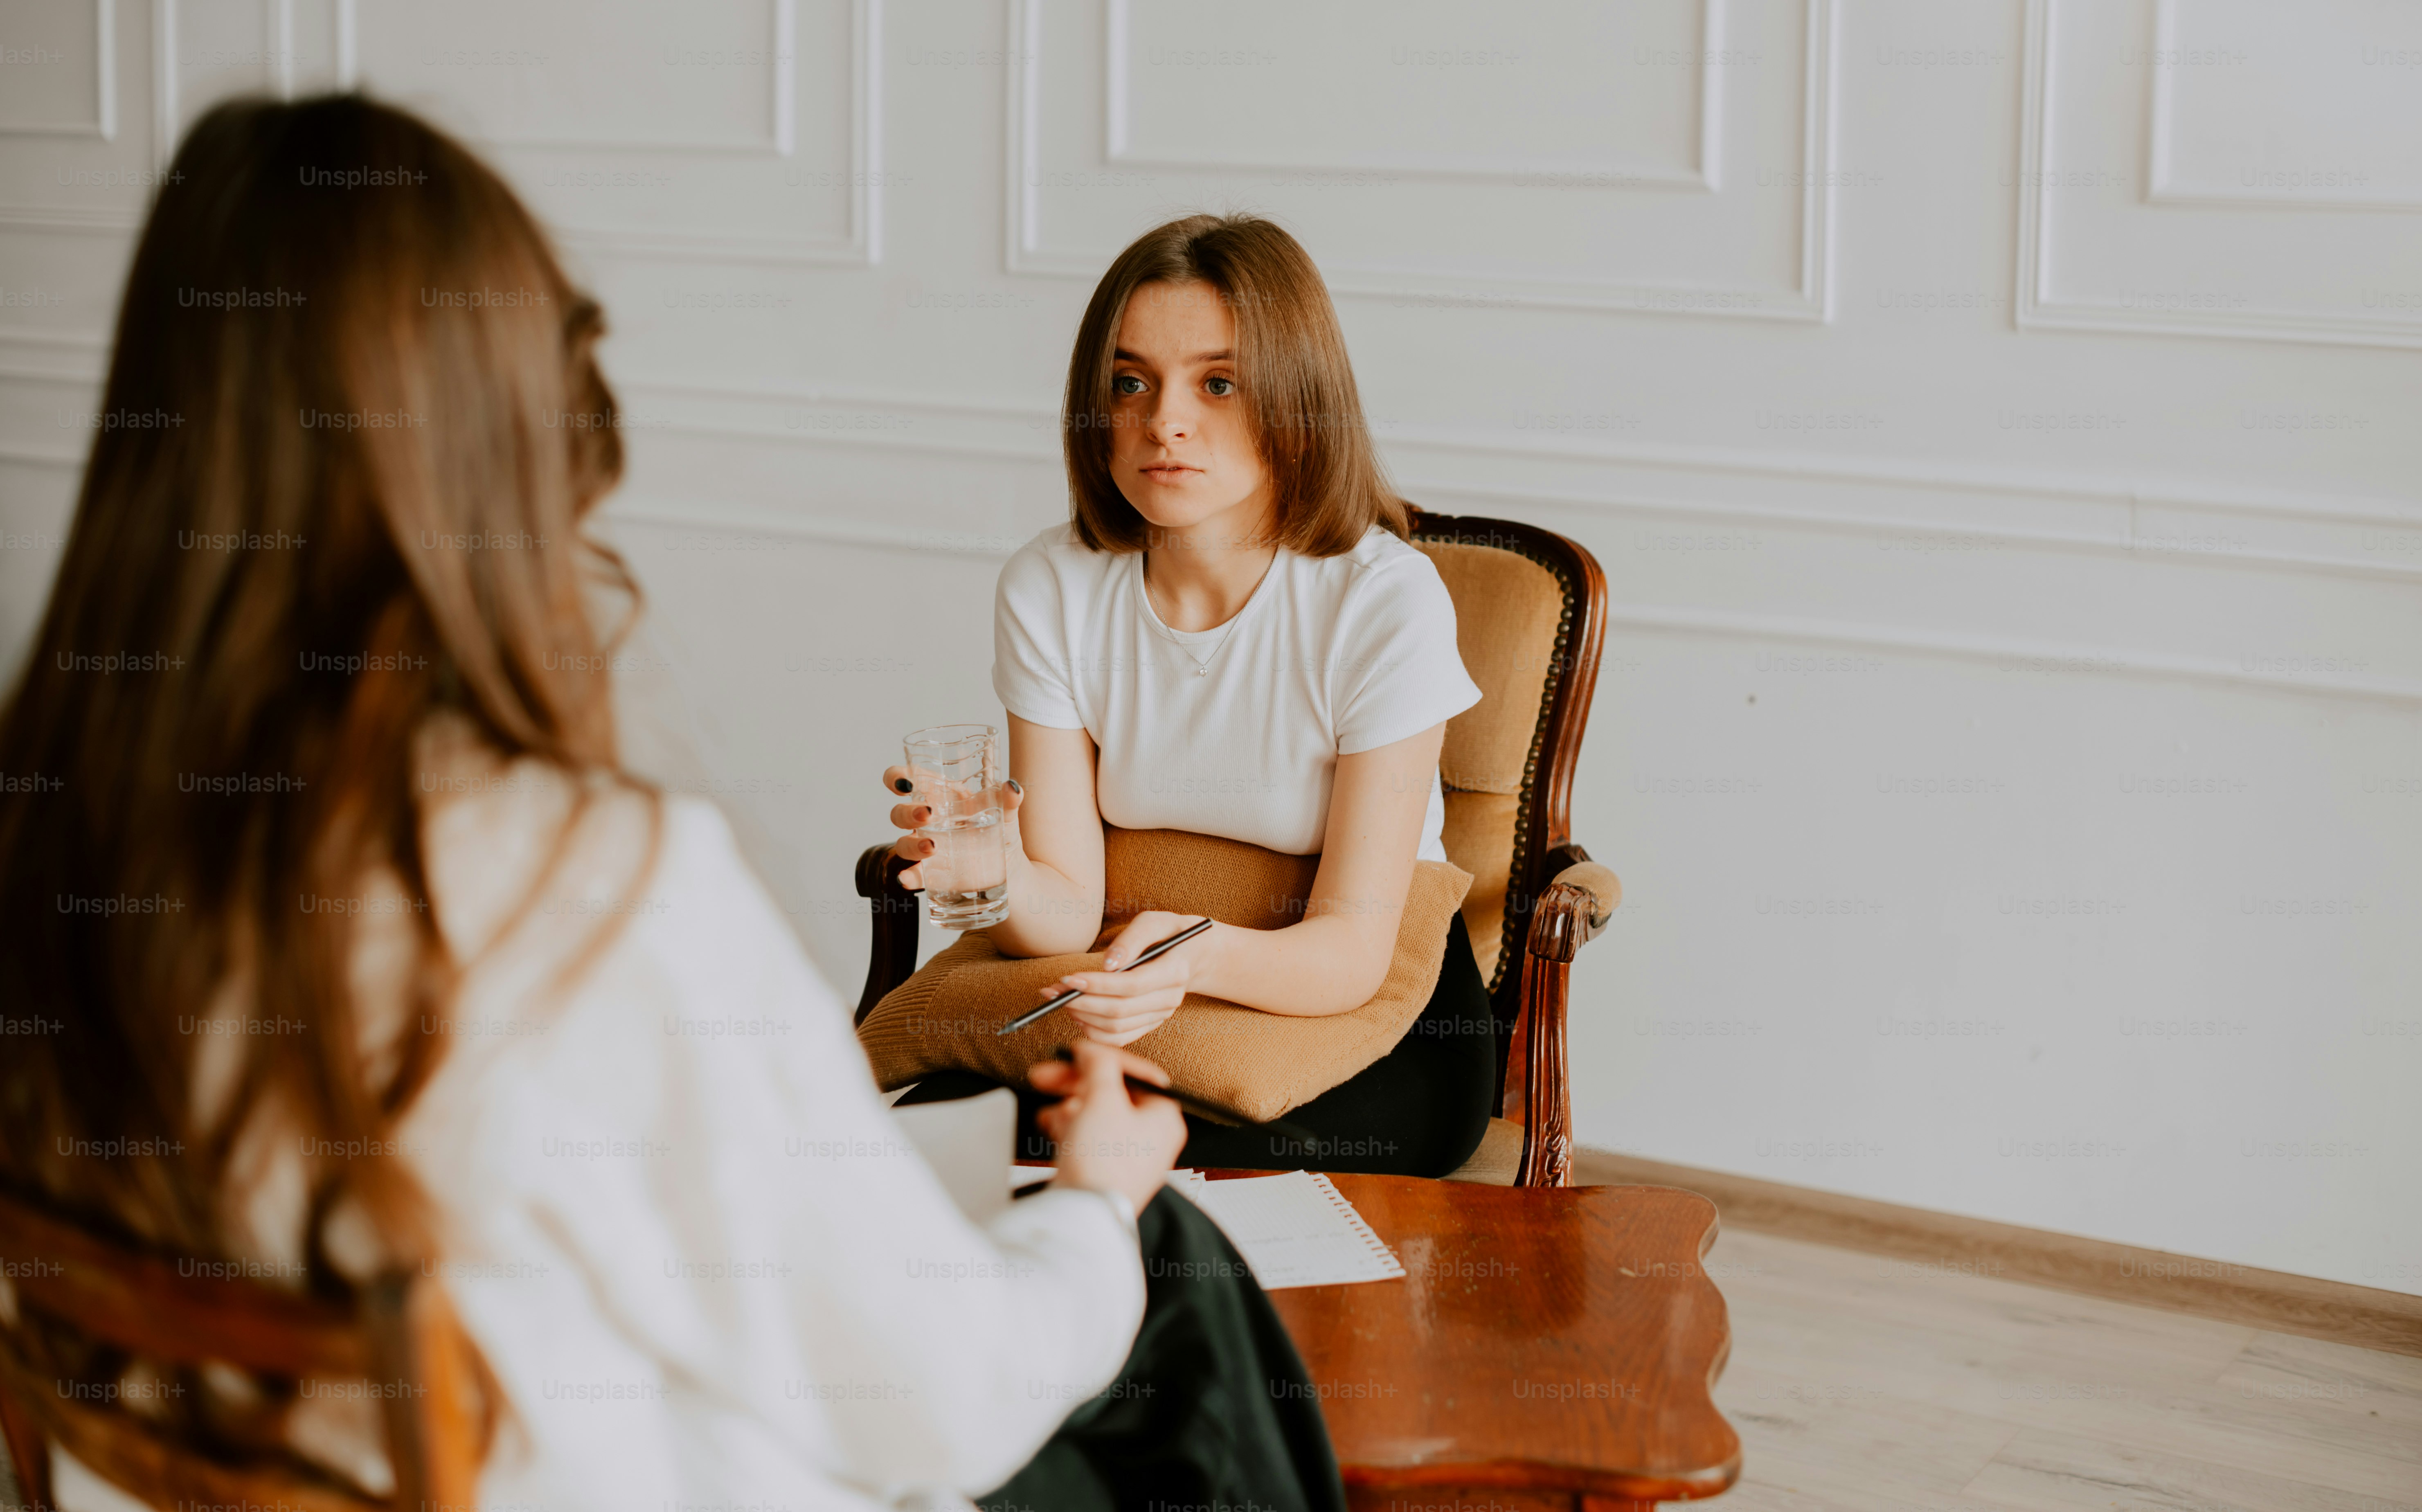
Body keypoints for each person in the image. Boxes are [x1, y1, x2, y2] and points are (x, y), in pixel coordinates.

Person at [0, 95, 1342, 1512]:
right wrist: (1097, 1200)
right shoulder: (580, 885)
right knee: (1169, 1278)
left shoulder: (58, 847)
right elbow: (940, 1403)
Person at [889, 216, 1496, 1178]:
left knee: (1166, 1177)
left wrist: (1196, 955)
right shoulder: (1051, 585)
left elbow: (1349, 950)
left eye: (1217, 383)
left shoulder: (1382, 600)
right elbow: (1066, 911)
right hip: (1133, 978)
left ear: (1297, 399)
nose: (1162, 421)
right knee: (927, 1149)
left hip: (1362, 1009)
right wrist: (994, 863)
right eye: (1129, 383)